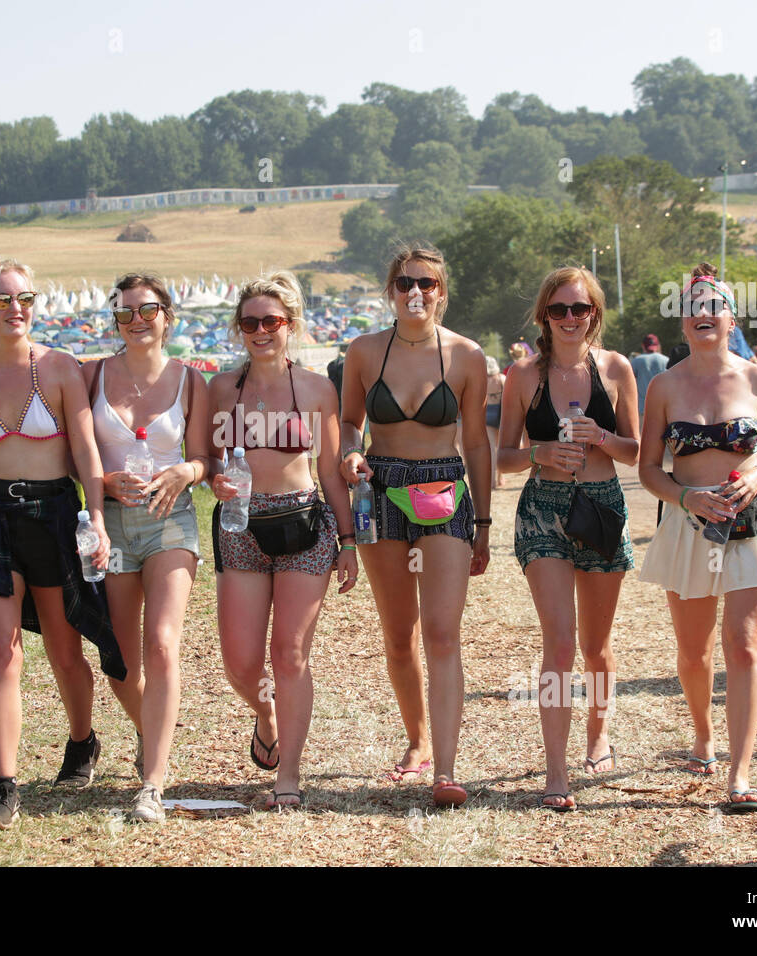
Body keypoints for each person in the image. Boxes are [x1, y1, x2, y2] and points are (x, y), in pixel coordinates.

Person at [0, 250, 116, 829]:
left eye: (24, 299)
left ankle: (82, 740)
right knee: (2, 650)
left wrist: (97, 518)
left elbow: (87, 453)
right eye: (3, 300)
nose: (15, 309)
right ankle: (3, 785)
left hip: (55, 516)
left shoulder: (63, 368)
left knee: (66, 651)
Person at [340, 244, 491, 808]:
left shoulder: (467, 356)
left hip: (442, 490)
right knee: (399, 635)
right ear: (390, 290)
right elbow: (349, 421)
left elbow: (475, 440)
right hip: (379, 491)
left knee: (442, 632)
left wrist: (483, 522)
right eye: (405, 283)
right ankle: (418, 739)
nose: (415, 293)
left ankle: (446, 769)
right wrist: (349, 453)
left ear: (441, 291)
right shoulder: (362, 352)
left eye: (426, 283)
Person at [638, 264, 757, 814]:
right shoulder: (663, 385)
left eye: (714, 306)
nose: (704, 314)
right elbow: (649, 470)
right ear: (683, 323)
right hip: (688, 526)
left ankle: (740, 772)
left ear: (731, 318)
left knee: (744, 643)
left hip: (751, 523)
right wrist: (684, 497)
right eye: (693, 308)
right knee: (692, 650)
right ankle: (703, 734)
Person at [208, 271, 359, 809]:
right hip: (240, 524)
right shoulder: (222, 388)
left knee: (289, 653)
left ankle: (289, 775)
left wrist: (348, 539)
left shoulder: (317, 388)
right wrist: (211, 479)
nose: (260, 330)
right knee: (241, 662)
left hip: (304, 525)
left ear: (289, 325)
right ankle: (265, 712)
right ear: (239, 329)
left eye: (271, 320)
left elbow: (330, 468)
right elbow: (205, 459)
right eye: (250, 322)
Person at [496, 266, 639, 812]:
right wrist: (539, 453)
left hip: (603, 508)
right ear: (544, 317)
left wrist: (602, 437)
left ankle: (597, 735)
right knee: (559, 641)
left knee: (595, 646)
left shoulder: (617, 370)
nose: (571, 319)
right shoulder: (523, 377)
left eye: (581, 309)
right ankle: (557, 770)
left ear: (595, 314)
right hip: (544, 513)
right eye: (560, 310)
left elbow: (641, 452)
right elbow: (501, 457)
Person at [83, 273, 210, 824]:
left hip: (170, 521)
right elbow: (74, 455)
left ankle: (152, 784)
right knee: (117, 661)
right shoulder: (90, 376)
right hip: (110, 525)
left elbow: (205, 458)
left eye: (148, 310)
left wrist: (186, 468)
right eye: (125, 313)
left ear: (168, 315)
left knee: (162, 644)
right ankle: (148, 729)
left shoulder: (190, 381)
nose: (137, 321)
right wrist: (103, 483)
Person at [630, 333, 668, 417]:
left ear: (643, 346)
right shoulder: (666, 360)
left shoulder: (637, 361)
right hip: (663, 408)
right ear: (657, 346)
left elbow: (629, 384)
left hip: (642, 408)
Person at [485, 354, 506, 489]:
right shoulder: (501, 378)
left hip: (487, 412)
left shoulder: (481, 379)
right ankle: (500, 478)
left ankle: (491, 481)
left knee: (492, 449)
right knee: (501, 447)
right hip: (501, 412)